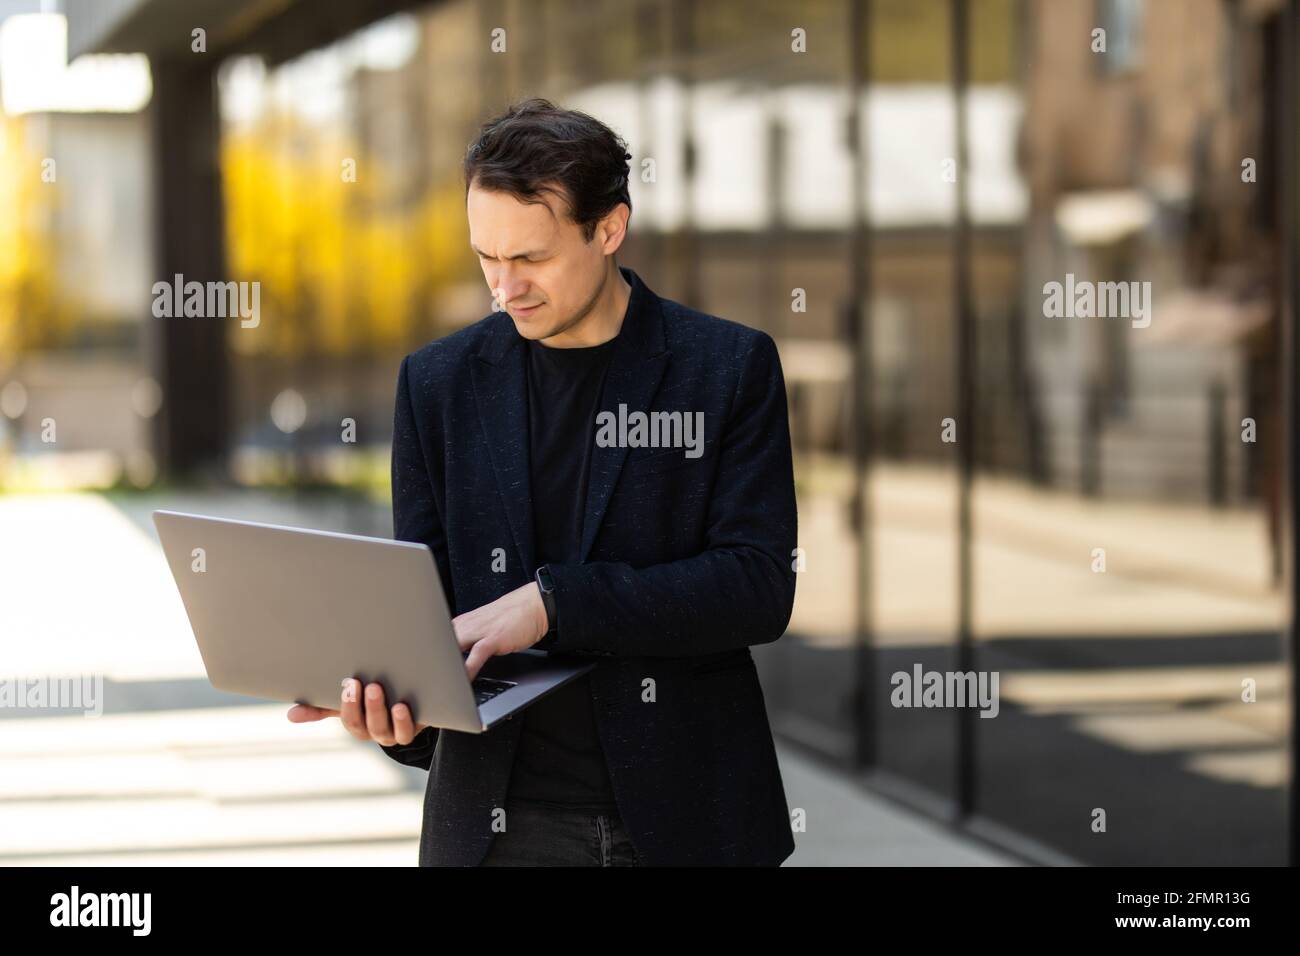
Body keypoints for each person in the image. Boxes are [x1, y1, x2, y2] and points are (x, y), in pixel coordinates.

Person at [289, 97, 798, 866]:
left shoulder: (726, 368)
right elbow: (432, 615)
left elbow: (758, 585)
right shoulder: (438, 384)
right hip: (494, 830)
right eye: (486, 258)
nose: (504, 287)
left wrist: (552, 604)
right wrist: (397, 712)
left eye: (530, 259)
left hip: (686, 820)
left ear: (609, 229)